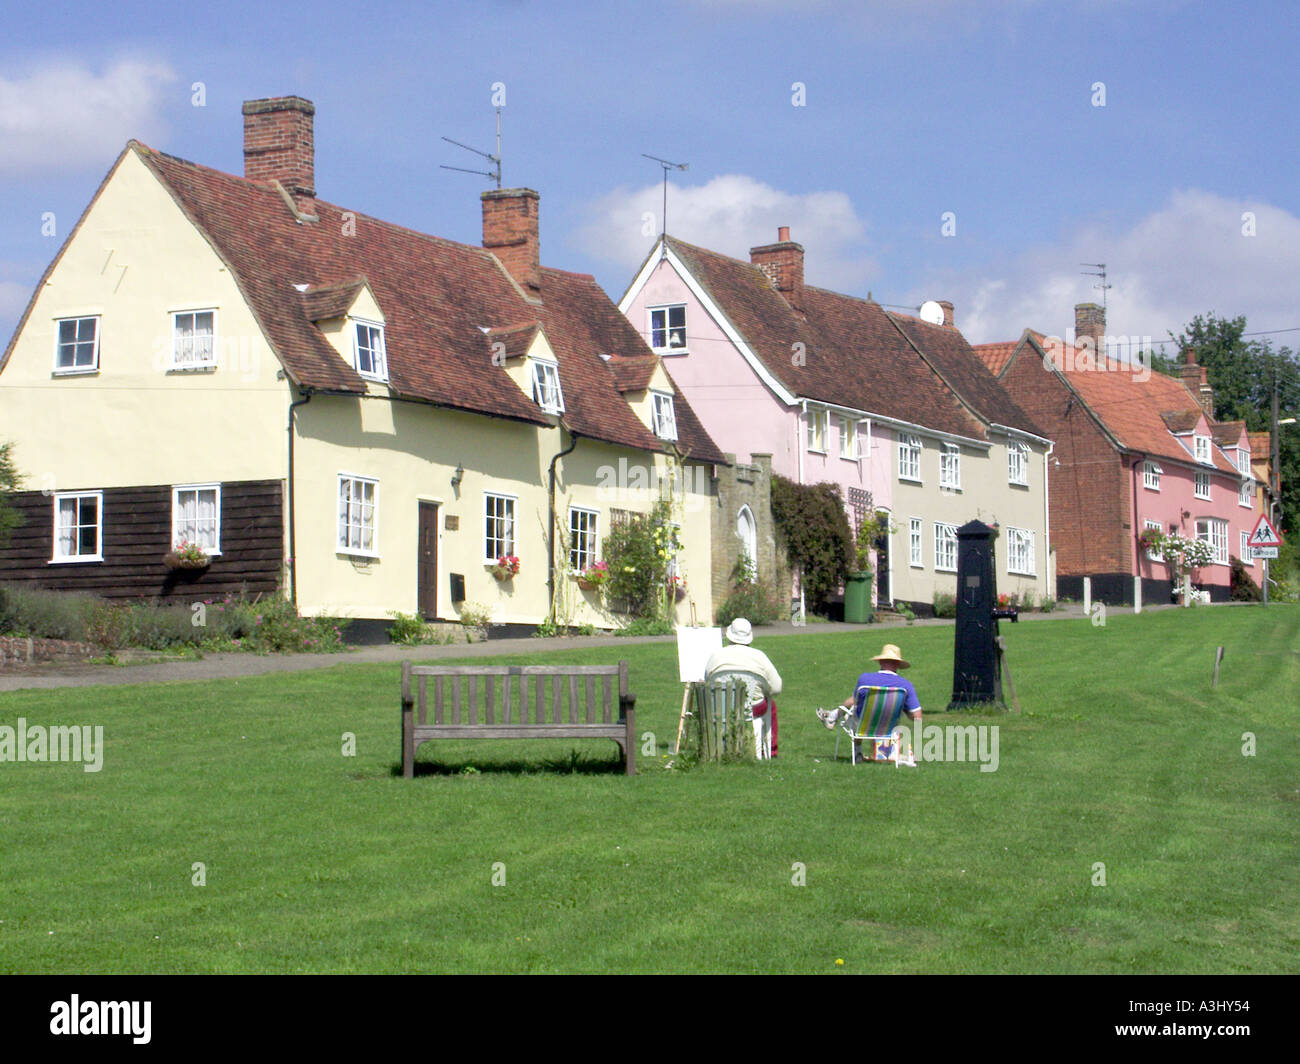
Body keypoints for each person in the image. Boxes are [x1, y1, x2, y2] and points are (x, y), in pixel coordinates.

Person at [704, 617, 783, 757]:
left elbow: (708, 680)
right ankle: (770, 749)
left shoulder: (716, 655)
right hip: (752, 707)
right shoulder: (759, 657)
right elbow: (776, 687)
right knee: (771, 706)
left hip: (721, 707)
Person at [817, 643, 922, 738]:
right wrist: (906, 711)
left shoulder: (865, 679)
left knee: (855, 705)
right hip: (889, 728)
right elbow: (917, 716)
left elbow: (855, 700)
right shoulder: (906, 686)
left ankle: (833, 718)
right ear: (898, 664)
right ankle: (832, 716)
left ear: (880, 661)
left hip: (863, 726)